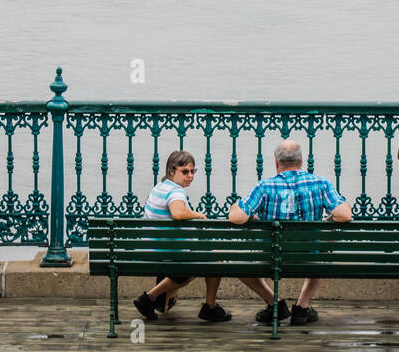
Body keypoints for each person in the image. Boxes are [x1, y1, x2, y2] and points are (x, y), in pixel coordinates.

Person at [228, 140, 352, 326]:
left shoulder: (264, 187)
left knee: (237, 264)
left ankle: (275, 304)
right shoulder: (321, 184)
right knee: (323, 247)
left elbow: (236, 217)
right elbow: (344, 215)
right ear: (301, 162)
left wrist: (239, 207)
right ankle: (301, 308)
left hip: (274, 258)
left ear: (277, 163)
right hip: (309, 257)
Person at [133, 150, 232, 323]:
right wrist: (198, 215)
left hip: (152, 249)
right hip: (166, 254)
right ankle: (209, 307)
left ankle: (149, 299)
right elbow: (178, 213)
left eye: (193, 171)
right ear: (171, 171)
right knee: (216, 259)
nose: (190, 175)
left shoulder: (160, 187)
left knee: (201, 259)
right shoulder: (176, 192)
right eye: (184, 171)